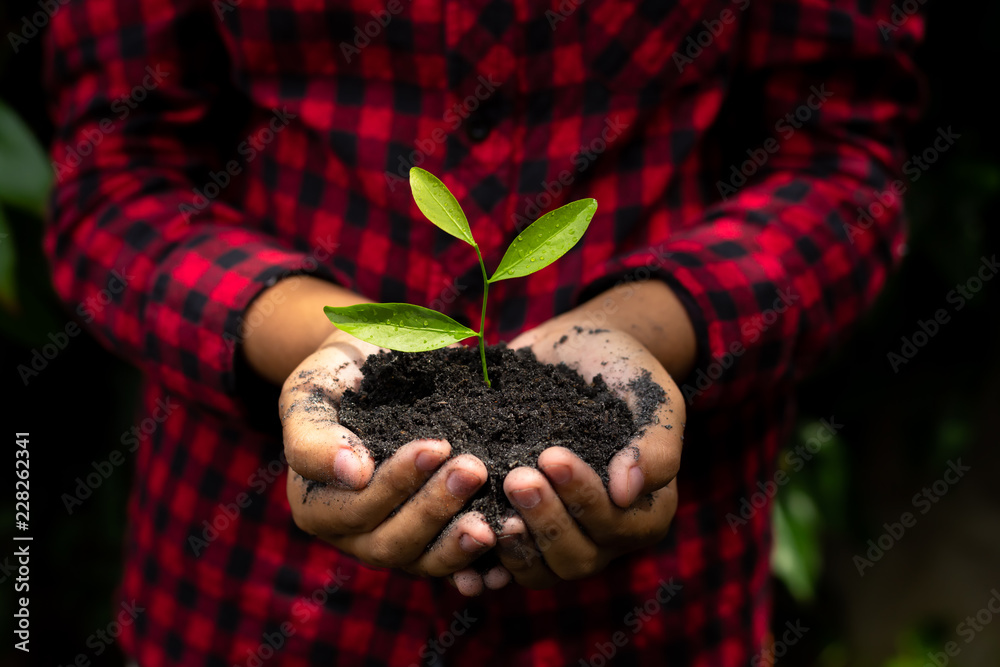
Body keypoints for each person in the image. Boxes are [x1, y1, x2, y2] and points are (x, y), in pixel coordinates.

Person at [43, 0, 923, 664]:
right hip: (250, 587)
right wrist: (303, 338)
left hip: (655, 603)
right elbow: (115, 177)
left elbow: (839, 164)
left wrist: (649, 326)